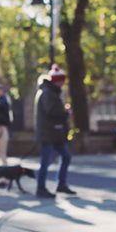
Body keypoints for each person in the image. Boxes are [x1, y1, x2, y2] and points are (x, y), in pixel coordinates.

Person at [34, 65, 76, 198]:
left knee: (66, 156)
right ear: (57, 80)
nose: (63, 84)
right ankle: (41, 188)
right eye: (62, 81)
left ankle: (61, 184)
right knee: (45, 161)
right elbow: (51, 111)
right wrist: (65, 113)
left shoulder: (51, 92)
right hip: (49, 133)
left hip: (55, 133)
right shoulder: (48, 92)